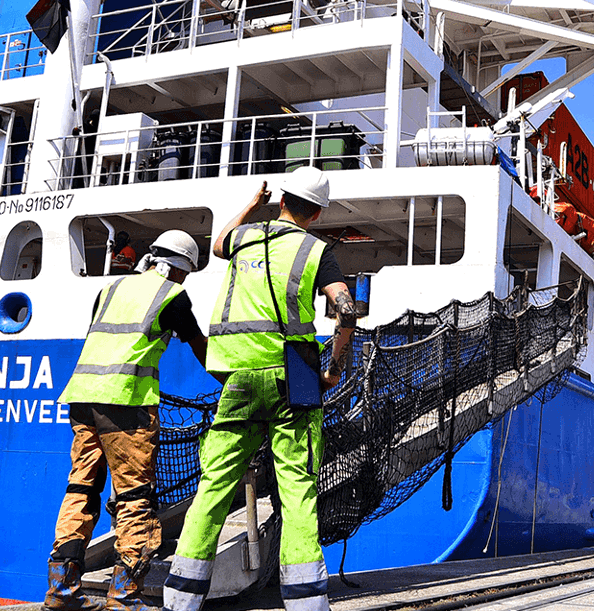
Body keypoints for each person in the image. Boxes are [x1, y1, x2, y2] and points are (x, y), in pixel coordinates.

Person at [162, 168, 359, 611]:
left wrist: (253, 203)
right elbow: (345, 310)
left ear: (283, 198)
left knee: (213, 487)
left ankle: (179, 600)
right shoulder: (314, 249)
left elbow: (216, 246)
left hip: (237, 378)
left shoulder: (246, 237)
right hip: (295, 380)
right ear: (318, 212)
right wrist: (334, 368)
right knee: (297, 489)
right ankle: (307, 604)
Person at [46, 230, 210, 611]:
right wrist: (233, 382)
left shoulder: (111, 289)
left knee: (81, 488)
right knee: (135, 496)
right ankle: (124, 596)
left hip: (83, 398)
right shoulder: (171, 294)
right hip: (126, 404)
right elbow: (200, 346)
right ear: (177, 268)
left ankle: (61, 590)